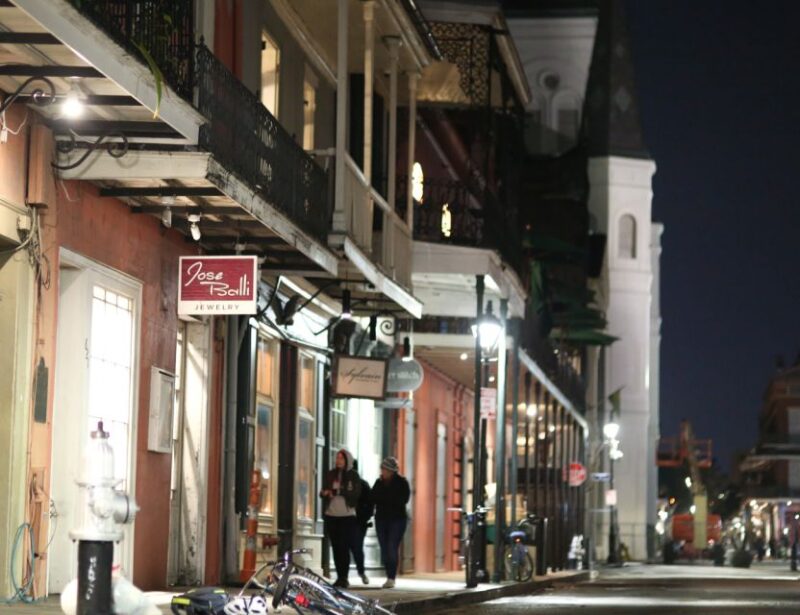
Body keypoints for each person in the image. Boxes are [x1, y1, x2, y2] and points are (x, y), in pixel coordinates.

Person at [320, 449, 362, 588]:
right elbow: (323, 490)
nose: (338, 460)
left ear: (347, 460)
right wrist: (325, 493)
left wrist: (337, 491)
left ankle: (344, 577)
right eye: (337, 458)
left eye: (341, 458)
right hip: (332, 514)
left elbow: (355, 493)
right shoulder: (331, 474)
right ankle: (339, 576)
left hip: (347, 515)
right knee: (336, 547)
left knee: (344, 547)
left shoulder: (353, 475)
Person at [371, 456, 410, 589]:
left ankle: (391, 577)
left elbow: (403, 499)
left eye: (384, 469)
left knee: (391, 546)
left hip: (397, 519)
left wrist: (385, 499)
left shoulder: (402, 482)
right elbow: (373, 497)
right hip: (381, 519)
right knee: (384, 548)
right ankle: (389, 574)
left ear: (391, 470)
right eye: (382, 469)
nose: (382, 471)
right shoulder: (379, 482)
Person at [351, 459, 374, 585]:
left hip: (359, 521)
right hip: (348, 519)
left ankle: (361, 572)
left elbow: (370, 504)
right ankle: (356, 573)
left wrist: (364, 517)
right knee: (350, 547)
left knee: (357, 547)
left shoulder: (362, 485)